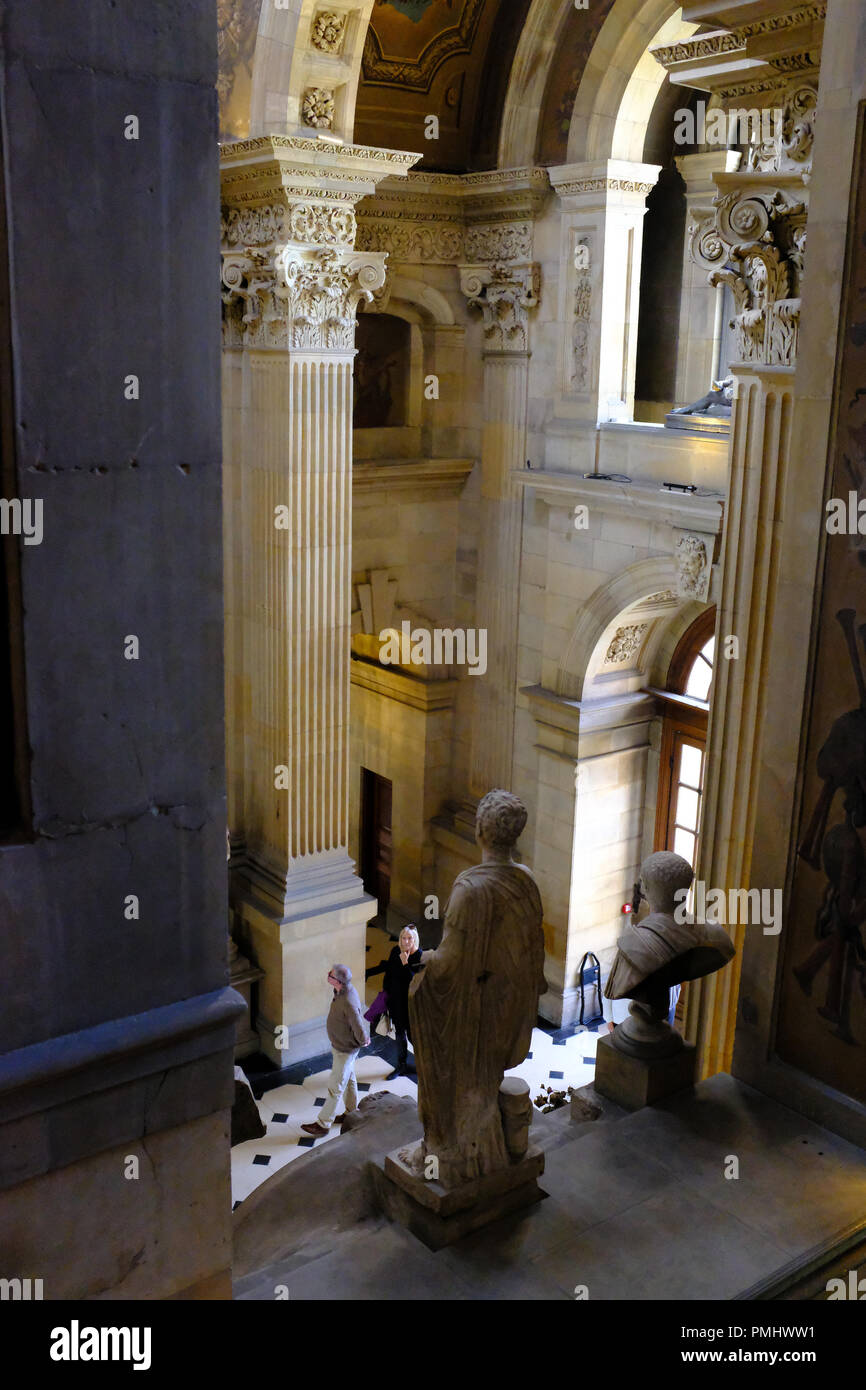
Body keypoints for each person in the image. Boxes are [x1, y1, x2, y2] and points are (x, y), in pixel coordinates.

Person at [301, 964, 369, 1139]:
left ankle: (323, 1124)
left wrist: (363, 1040)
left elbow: (357, 1023)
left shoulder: (347, 1000)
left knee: (335, 1087)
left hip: (345, 1050)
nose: (328, 975)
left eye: (330, 974)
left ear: (337, 981)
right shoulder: (342, 991)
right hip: (342, 1046)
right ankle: (351, 1113)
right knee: (349, 1080)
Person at [368, 925, 423, 1078]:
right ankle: (401, 1064)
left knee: (415, 1038)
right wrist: (386, 997)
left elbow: (414, 982)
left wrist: (405, 963)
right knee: (400, 1035)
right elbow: (389, 975)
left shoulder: (420, 956)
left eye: (410, 938)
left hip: (412, 1006)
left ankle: (424, 1065)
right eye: (403, 938)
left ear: (415, 939)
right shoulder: (395, 951)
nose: (406, 942)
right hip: (396, 1003)